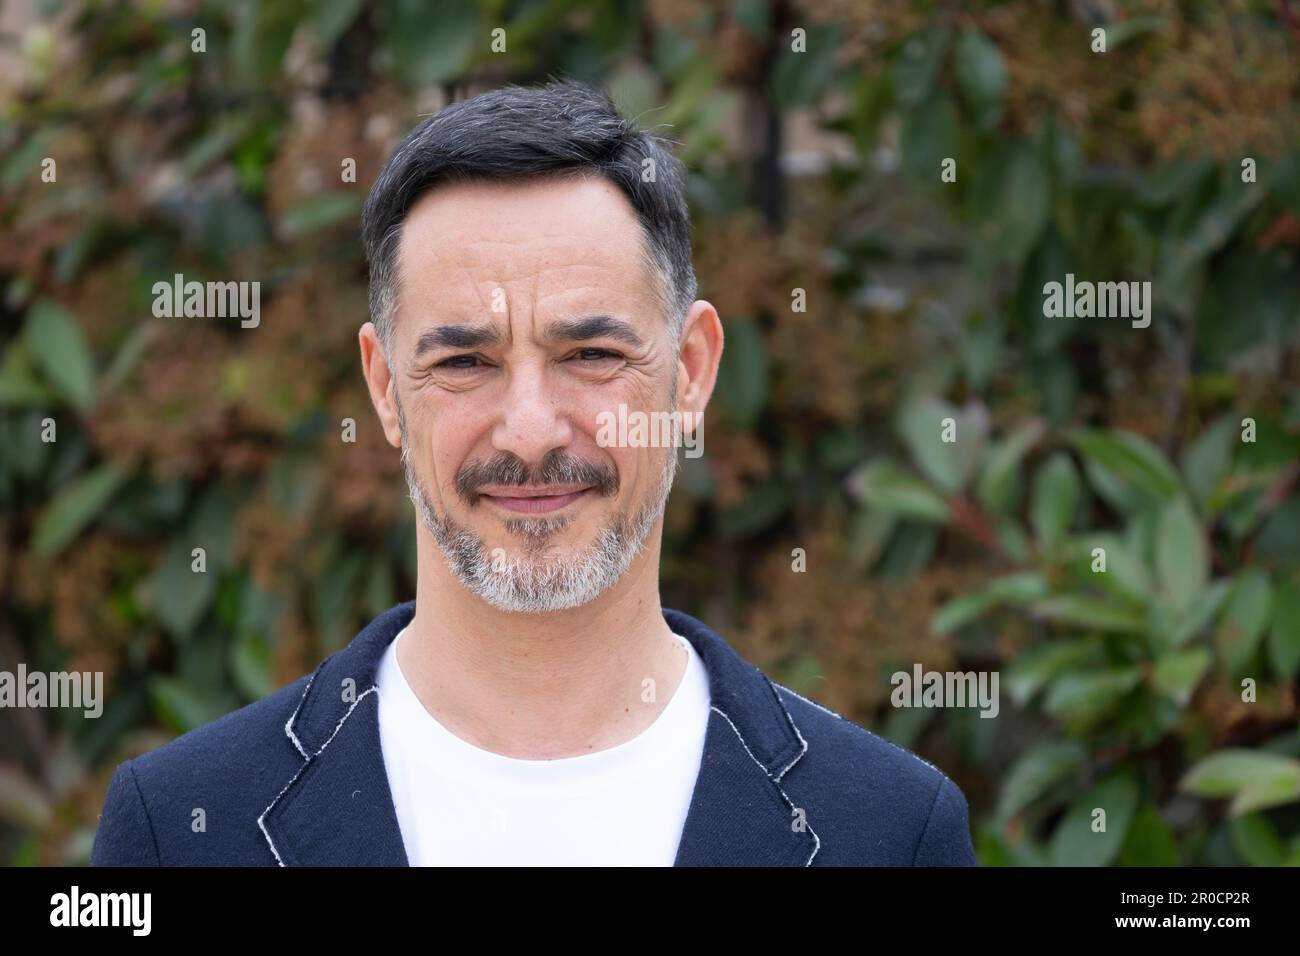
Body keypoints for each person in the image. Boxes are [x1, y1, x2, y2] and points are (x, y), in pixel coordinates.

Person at [91, 79, 977, 866]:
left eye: (590, 353)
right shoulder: (178, 829)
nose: (527, 431)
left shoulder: (890, 832)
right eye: (466, 363)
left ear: (693, 370)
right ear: (385, 388)